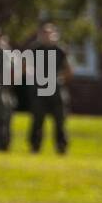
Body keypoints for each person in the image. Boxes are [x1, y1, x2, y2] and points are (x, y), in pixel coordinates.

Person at [28, 21, 73, 154]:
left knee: (60, 119)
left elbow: (69, 70)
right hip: (39, 88)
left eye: (50, 33)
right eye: (44, 33)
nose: (47, 36)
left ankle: (61, 146)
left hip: (56, 89)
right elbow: (25, 67)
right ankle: (35, 146)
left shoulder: (60, 50)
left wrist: (60, 80)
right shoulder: (34, 49)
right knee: (37, 118)